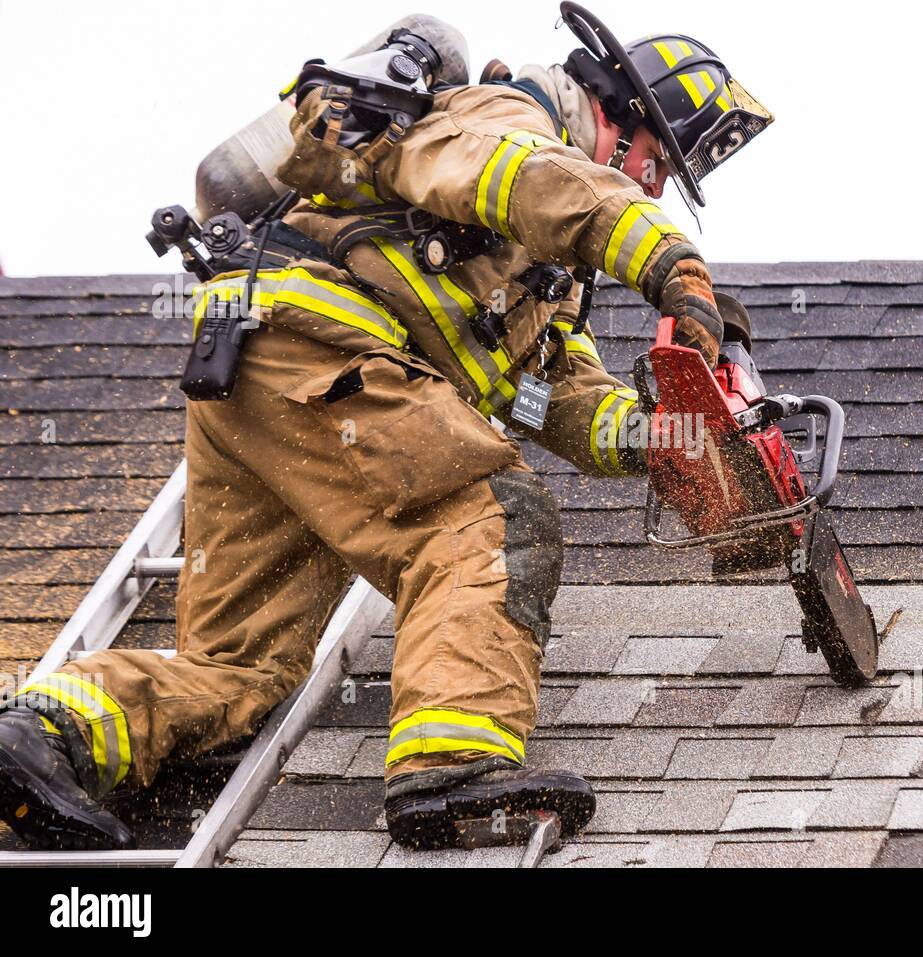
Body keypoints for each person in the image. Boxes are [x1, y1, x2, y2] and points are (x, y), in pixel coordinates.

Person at [0, 3, 772, 851]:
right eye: (656, 161)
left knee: (244, 666)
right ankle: (452, 766)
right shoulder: (502, 119)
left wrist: (666, 437)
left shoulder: (541, 275)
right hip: (324, 354)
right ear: (614, 114)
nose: (653, 187)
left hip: (259, 385)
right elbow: (534, 182)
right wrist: (674, 267)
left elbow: (552, 396)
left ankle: (44, 736)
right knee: (492, 521)